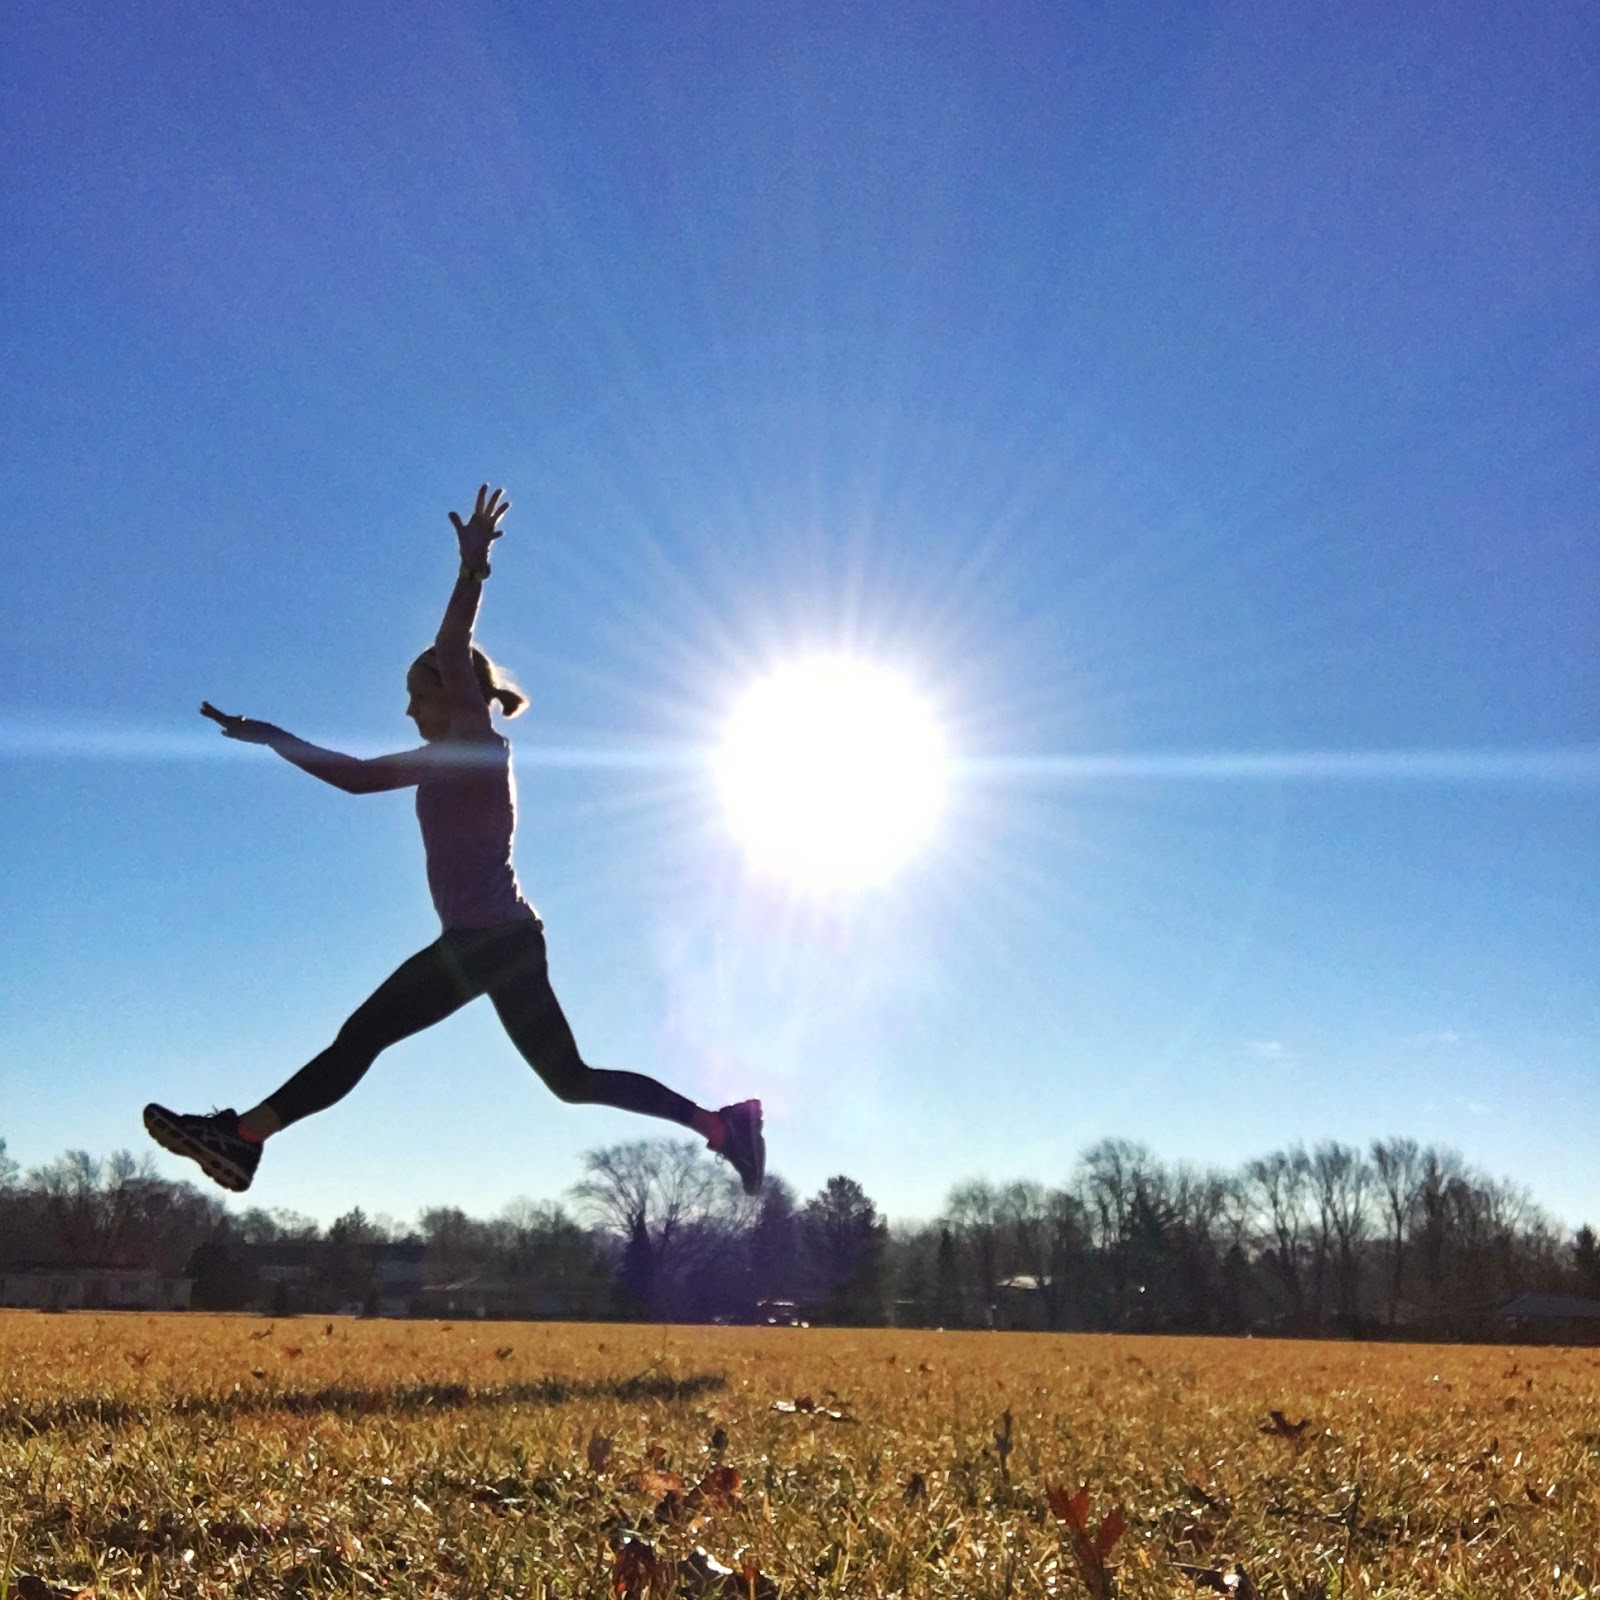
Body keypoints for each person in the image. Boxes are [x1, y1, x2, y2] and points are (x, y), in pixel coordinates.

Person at [144, 485, 763, 1198]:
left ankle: (243, 1137)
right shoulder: (438, 761)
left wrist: (472, 568)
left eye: (418, 695)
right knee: (570, 1080)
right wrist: (270, 736)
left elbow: (450, 646)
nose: (408, 708)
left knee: (365, 1034)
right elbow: (351, 778)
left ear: (454, 697)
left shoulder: (478, 745)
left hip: (487, 940)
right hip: (502, 941)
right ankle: (723, 1127)